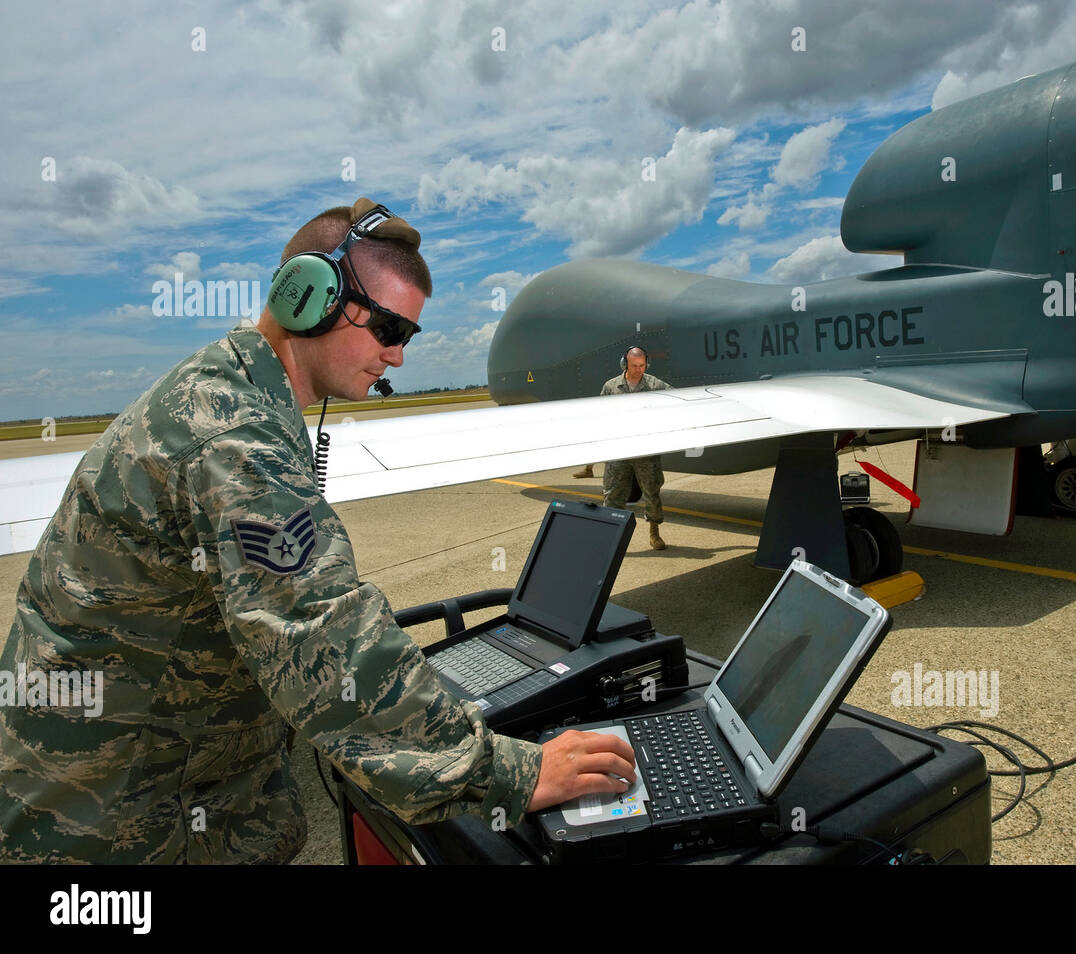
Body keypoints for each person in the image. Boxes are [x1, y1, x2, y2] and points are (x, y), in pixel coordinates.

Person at [0, 198, 634, 863]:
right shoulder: (231, 434)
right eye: (388, 327)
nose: (396, 356)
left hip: (152, 783)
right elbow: (319, 634)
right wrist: (513, 774)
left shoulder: (236, 393)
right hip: (109, 825)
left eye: (408, 336)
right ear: (310, 299)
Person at [600, 347, 672, 550]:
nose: (639, 370)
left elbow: (677, 399)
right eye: (634, 366)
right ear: (625, 363)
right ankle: (610, 537)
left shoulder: (655, 385)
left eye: (642, 366)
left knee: (652, 492)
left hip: (646, 451)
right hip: (619, 450)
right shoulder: (611, 387)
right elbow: (600, 416)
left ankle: (654, 533)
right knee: (612, 494)